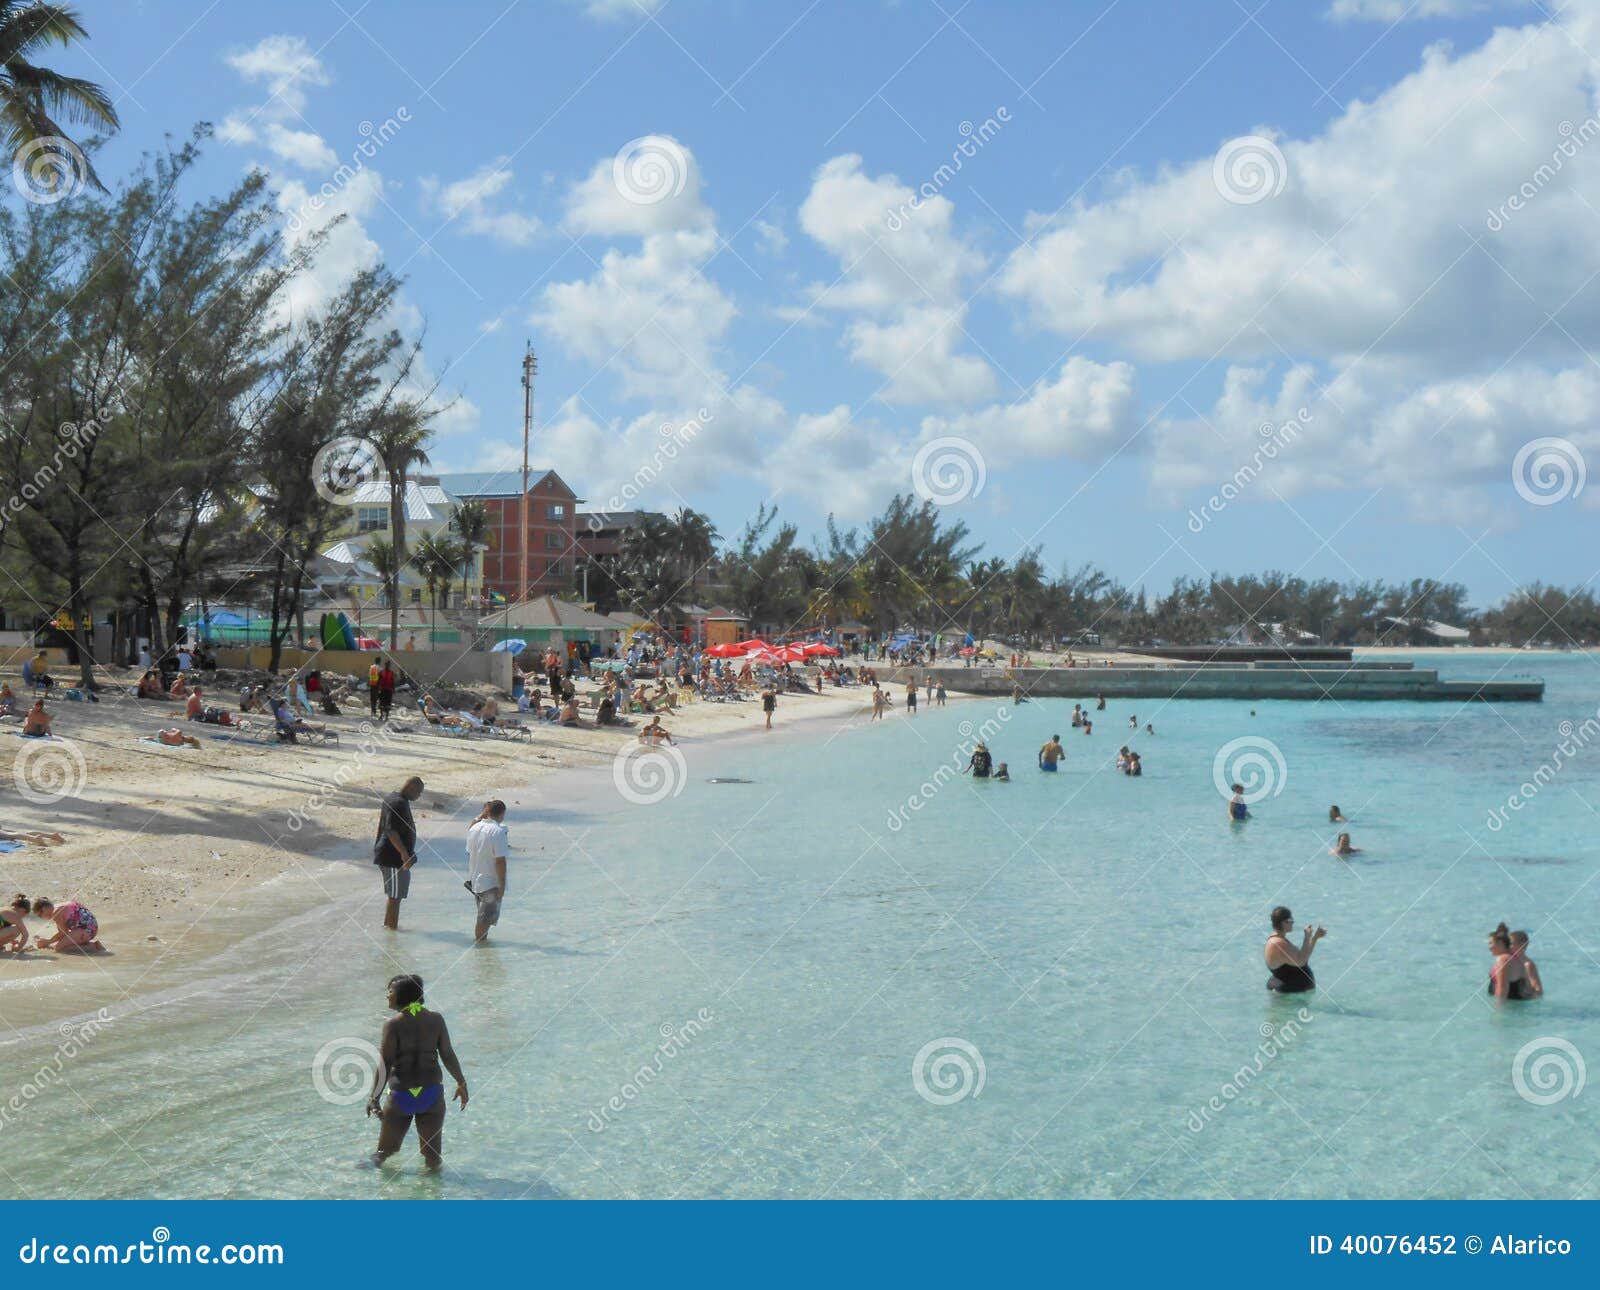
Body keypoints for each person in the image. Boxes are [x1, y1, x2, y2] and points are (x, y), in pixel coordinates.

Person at [366, 975, 468, 1171]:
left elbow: (385, 1063)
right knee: (433, 1158)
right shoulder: (436, 1020)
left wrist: (374, 1097)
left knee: (383, 1153)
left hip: (401, 1096)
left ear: (401, 996)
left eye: (390, 992)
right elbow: (447, 1053)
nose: (387, 996)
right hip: (431, 1095)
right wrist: (461, 1082)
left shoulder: (393, 1025)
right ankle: (433, 1196)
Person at [375, 777, 424, 931]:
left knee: (395, 895)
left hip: (393, 856)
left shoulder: (397, 799)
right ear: (410, 787)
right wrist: (403, 854)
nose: (419, 796)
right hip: (393, 857)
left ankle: (388, 928)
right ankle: (391, 932)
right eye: (419, 792)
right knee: (395, 897)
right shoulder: (398, 803)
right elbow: (390, 831)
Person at [466, 800, 509, 943]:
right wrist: (502, 885)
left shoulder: (474, 828)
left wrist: (482, 814)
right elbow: (500, 860)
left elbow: (469, 851)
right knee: (484, 920)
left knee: (483, 916)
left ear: (488, 812)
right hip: (490, 883)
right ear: (502, 814)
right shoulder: (498, 831)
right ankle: (480, 949)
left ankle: (482, 950)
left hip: (476, 881)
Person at [1264, 907, 1323, 992]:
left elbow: (1303, 956)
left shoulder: (1279, 940)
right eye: (1291, 920)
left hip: (1290, 992)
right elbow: (1301, 961)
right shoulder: (1278, 944)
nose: (1293, 923)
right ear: (1284, 923)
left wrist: (1315, 938)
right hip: (1289, 994)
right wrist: (1306, 938)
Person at [31, 897, 103, 952]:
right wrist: (48, 941)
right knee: (63, 943)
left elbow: (63, 933)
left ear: (43, 909)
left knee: (58, 948)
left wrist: (48, 942)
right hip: (91, 927)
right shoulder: (58, 907)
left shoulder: (56, 913)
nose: (41, 918)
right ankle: (86, 943)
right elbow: (63, 933)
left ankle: (93, 946)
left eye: (40, 915)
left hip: (86, 929)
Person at [1488, 923, 1535, 1000]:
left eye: (1490, 943)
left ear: (1500, 943)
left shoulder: (1503, 960)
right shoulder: (1514, 958)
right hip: (1519, 1005)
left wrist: (1497, 1011)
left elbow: (1502, 989)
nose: (1489, 947)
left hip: (1514, 1007)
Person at [1510, 930, 1543, 998]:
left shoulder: (1527, 964)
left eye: (1511, 943)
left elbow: (1538, 989)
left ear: (1521, 945)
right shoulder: (1508, 960)